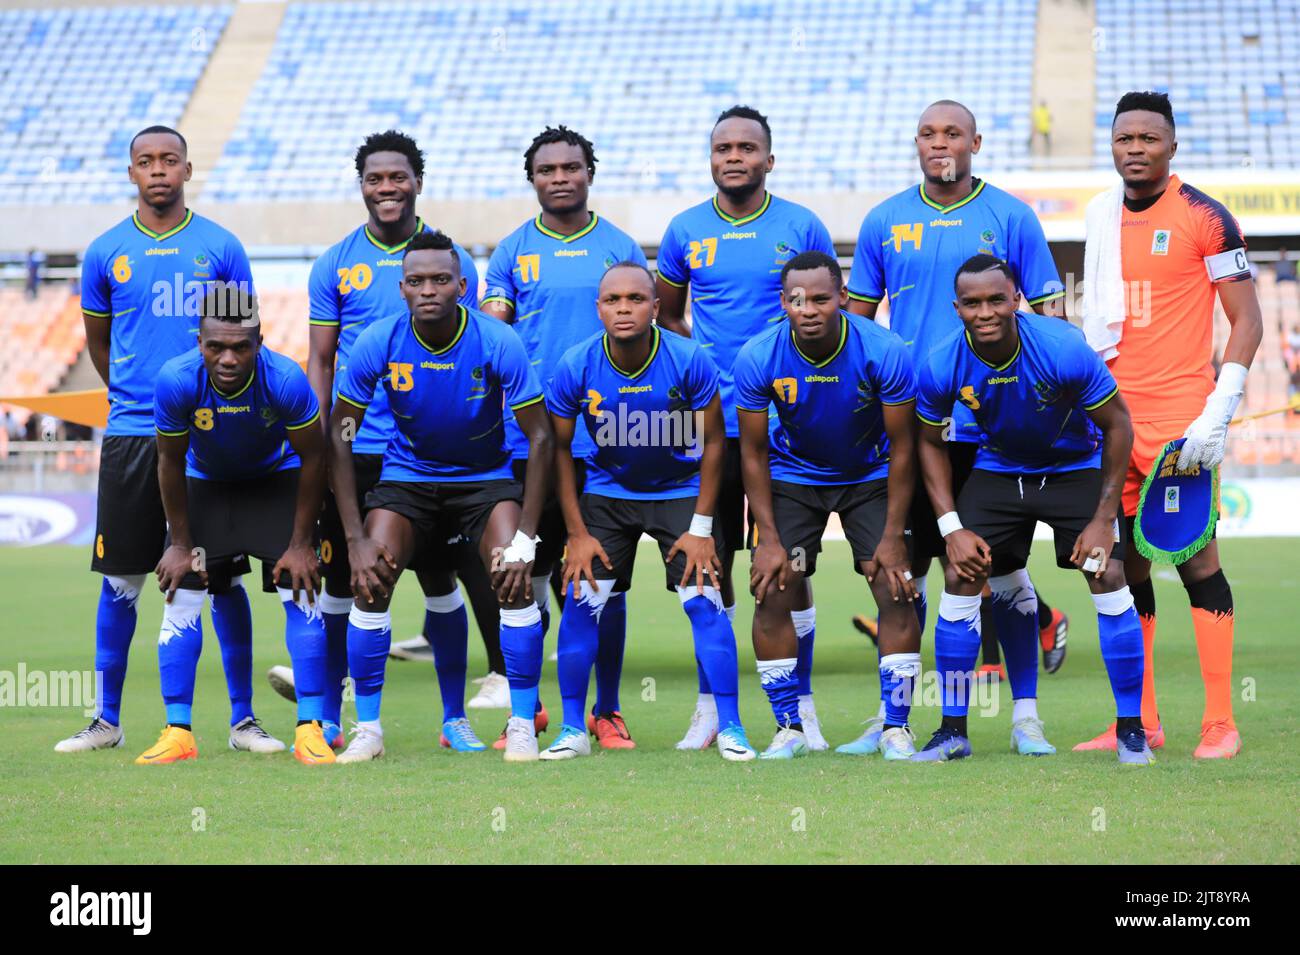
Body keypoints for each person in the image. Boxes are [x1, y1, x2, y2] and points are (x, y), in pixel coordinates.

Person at [840, 100, 1070, 757]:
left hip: (995, 427)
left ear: (975, 141)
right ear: (915, 143)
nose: (940, 143)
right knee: (901, 573)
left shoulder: (1012, 216)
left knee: (1001, 575)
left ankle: (1026, 718)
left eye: (952, 133)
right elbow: (857, 324)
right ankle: (894, 721)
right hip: (914, 426)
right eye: (928, 133)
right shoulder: (885, 219)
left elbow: (1051, 320)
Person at [264, 129, 495, 753]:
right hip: (356, 449)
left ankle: (454, 719)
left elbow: (469, 350)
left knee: (441, 579)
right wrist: (313, 435)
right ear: (361, 185)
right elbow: (320, 357)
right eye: (375, 178)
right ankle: (340, 710)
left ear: (418, 181)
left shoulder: (450, 261)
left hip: (432, 452)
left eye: (398, 177)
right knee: (345, 580)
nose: (387, 188)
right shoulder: (335, 262)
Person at [57, 126, 279, 756]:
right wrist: (139, 396)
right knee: (122, 580)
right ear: (131, 172)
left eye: (169, 160)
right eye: (145, 162)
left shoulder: (220, 245)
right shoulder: (105, 252)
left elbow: (240, 336)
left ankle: (242, 722)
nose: (158, 170)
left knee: (222, 578)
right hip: (133, 434)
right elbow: (99, 342)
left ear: (188, 168)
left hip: (212, 435)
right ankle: (107, 719)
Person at [1076, 92, 1262, 759]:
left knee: (1197, 562)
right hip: (1113, 421)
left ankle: (1220, 722)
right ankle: (1140, 721)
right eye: (1124, 136)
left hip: (1181, 420)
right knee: (1122, 567)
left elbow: (1248, 319)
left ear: (1172, 145)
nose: (1135, 147)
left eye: (1148, 138)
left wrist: (1220, 407)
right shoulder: (1099, 216)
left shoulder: (1204, 216)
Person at [913, 255, 1150, 764]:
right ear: (956, 308)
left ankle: (1132, 730)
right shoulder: (942, 361)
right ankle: (954, 731)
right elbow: (928, 443)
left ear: (1016, 299)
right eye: (972, 303)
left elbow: (1119, 426)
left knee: (1107, 574)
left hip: (1073, 468)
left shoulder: (1061, 347)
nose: (985, 312)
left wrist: (1104, 520)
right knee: (962, 574)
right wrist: (951, 527)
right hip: (1000, 469)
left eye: (996, 299)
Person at [327, 230, 554, 762]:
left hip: (484, 483)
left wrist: (526, 537)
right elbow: (339, 437)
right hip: (407, 479)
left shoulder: (498, 341)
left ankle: (521, 724)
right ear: (401, 289)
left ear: (462, 286)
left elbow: (541, 438)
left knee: (513, 577)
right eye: (416, 281)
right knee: (371, 577)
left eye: (440, 280)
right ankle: (370, 731)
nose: (428, 289)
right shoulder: (377, 340)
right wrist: (355, 537)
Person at [656, 105, 837, 750]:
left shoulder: (799, 224)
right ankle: (714, 705)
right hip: (712, 424)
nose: (733, 156)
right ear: (711, 159)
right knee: (712, 558)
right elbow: (669, 317)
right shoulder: (684, 230)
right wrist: (705, 369)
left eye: (746, 147)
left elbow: (819, 305)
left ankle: (802, 707)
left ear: (768, 158)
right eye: (722, 148)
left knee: (790, 562)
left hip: (785, 421)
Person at [540, 262, 755, 761]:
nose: (623, 308)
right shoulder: (576, 364)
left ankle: (732, 727)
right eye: (612, 300)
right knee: (582, 601)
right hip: (606, 494)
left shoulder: (688, 359)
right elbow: (557, 452)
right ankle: (574, 728)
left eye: (635, 299)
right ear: (599, 308)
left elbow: (715, 443)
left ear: (656, 307)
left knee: (706, 601)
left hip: (679, 492)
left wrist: (702, 528)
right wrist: (576, 532)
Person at [479, 125, 646, 748]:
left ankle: (605, 710)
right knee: (526, 570)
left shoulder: (619, 245)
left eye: (570, 168)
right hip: (529, 440)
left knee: (604, 576)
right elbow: (494, 330)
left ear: (589, 174)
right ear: (533, 179)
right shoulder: (512, 251)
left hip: (605, 441)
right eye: (547, 170)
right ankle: (532, 709)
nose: (559, 178)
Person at [735, 252, 920, 759]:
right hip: (794, 479)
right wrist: (768, 538)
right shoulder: (759, 355)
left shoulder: (883, 350)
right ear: (783, 303)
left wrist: (891, 537)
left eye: (821, 298)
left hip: (871, 476)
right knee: (775, 587)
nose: (809, 308)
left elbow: (905, 446)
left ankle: (896, 727)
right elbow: (751, 450)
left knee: (894, 588)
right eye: (797, 299)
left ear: (842, 298)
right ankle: (789, 727)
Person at [144, 285, 332, 764]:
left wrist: (301, 542)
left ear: (259, 342)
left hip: (275, 479)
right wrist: (180, 543)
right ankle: (179, 732)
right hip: (207, 483)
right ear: (199, 342)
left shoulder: (286, 379)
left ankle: (310, 728)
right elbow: (168, 461)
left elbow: (315, 457)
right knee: (184, 584)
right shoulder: (176, 379)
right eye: (216, 347)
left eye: (240, 347)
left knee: (301, 582)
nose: (228, 359)